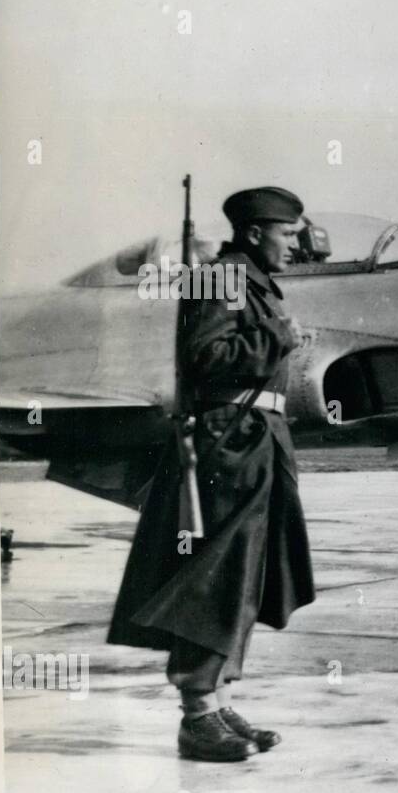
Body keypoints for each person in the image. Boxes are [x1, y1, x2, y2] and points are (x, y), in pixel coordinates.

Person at [109, 187, 316, 762]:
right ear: (255, 233)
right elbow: (206, 357)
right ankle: (197, 714)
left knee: (247, 576)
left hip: (258, 439)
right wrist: (279, 336)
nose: (296, 244)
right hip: (230, 441)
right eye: (287, 233)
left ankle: (218, 700)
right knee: (215, 576)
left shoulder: (250, 280)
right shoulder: (221, 276)